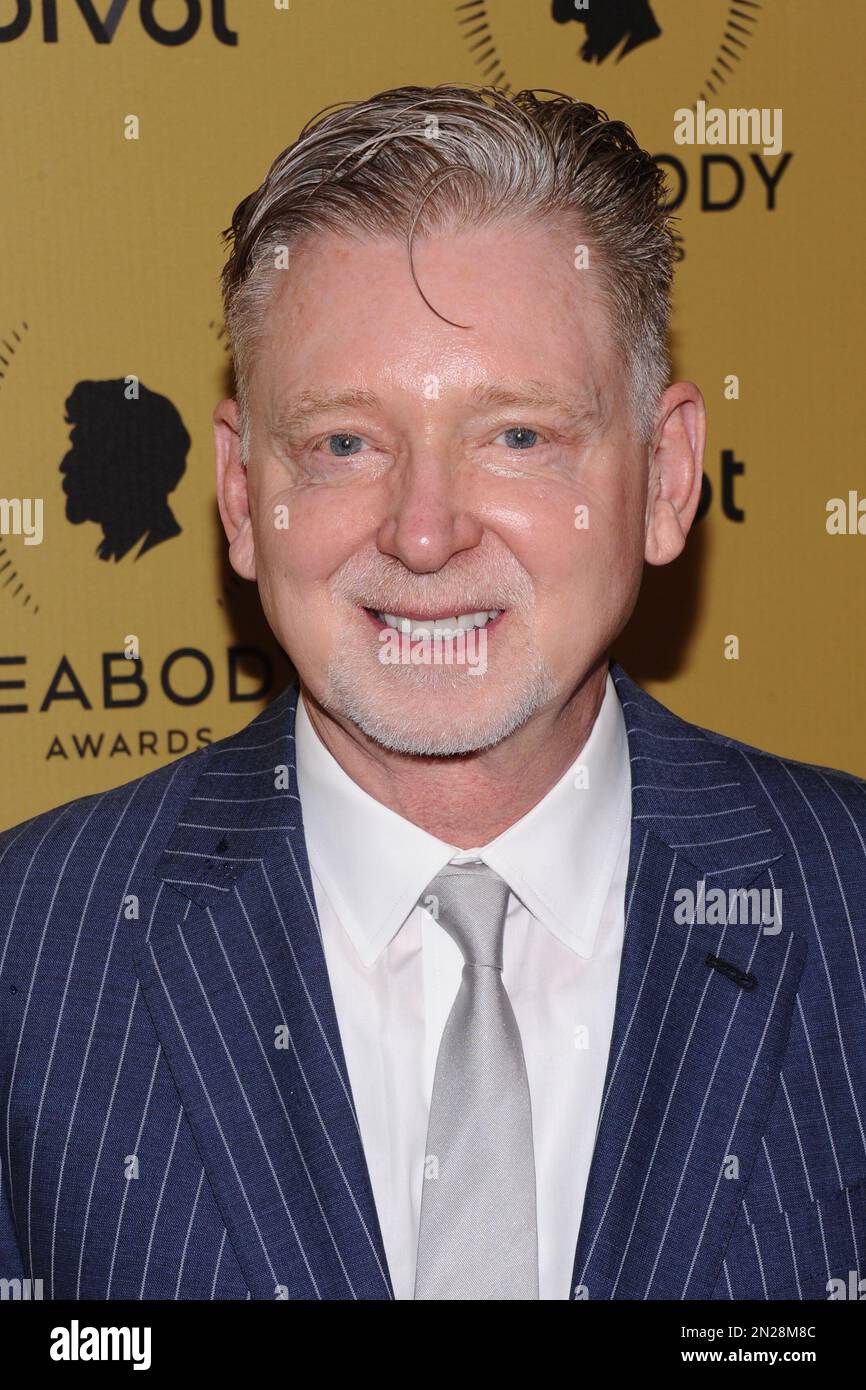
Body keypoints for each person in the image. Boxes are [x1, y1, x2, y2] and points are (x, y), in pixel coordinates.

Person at [1, 85, 863, 1302]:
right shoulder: (29, 954)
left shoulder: (846, 904)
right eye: (344, 444)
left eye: (515, 436)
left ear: (666, 479)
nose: (421, 532)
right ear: (243, 496)